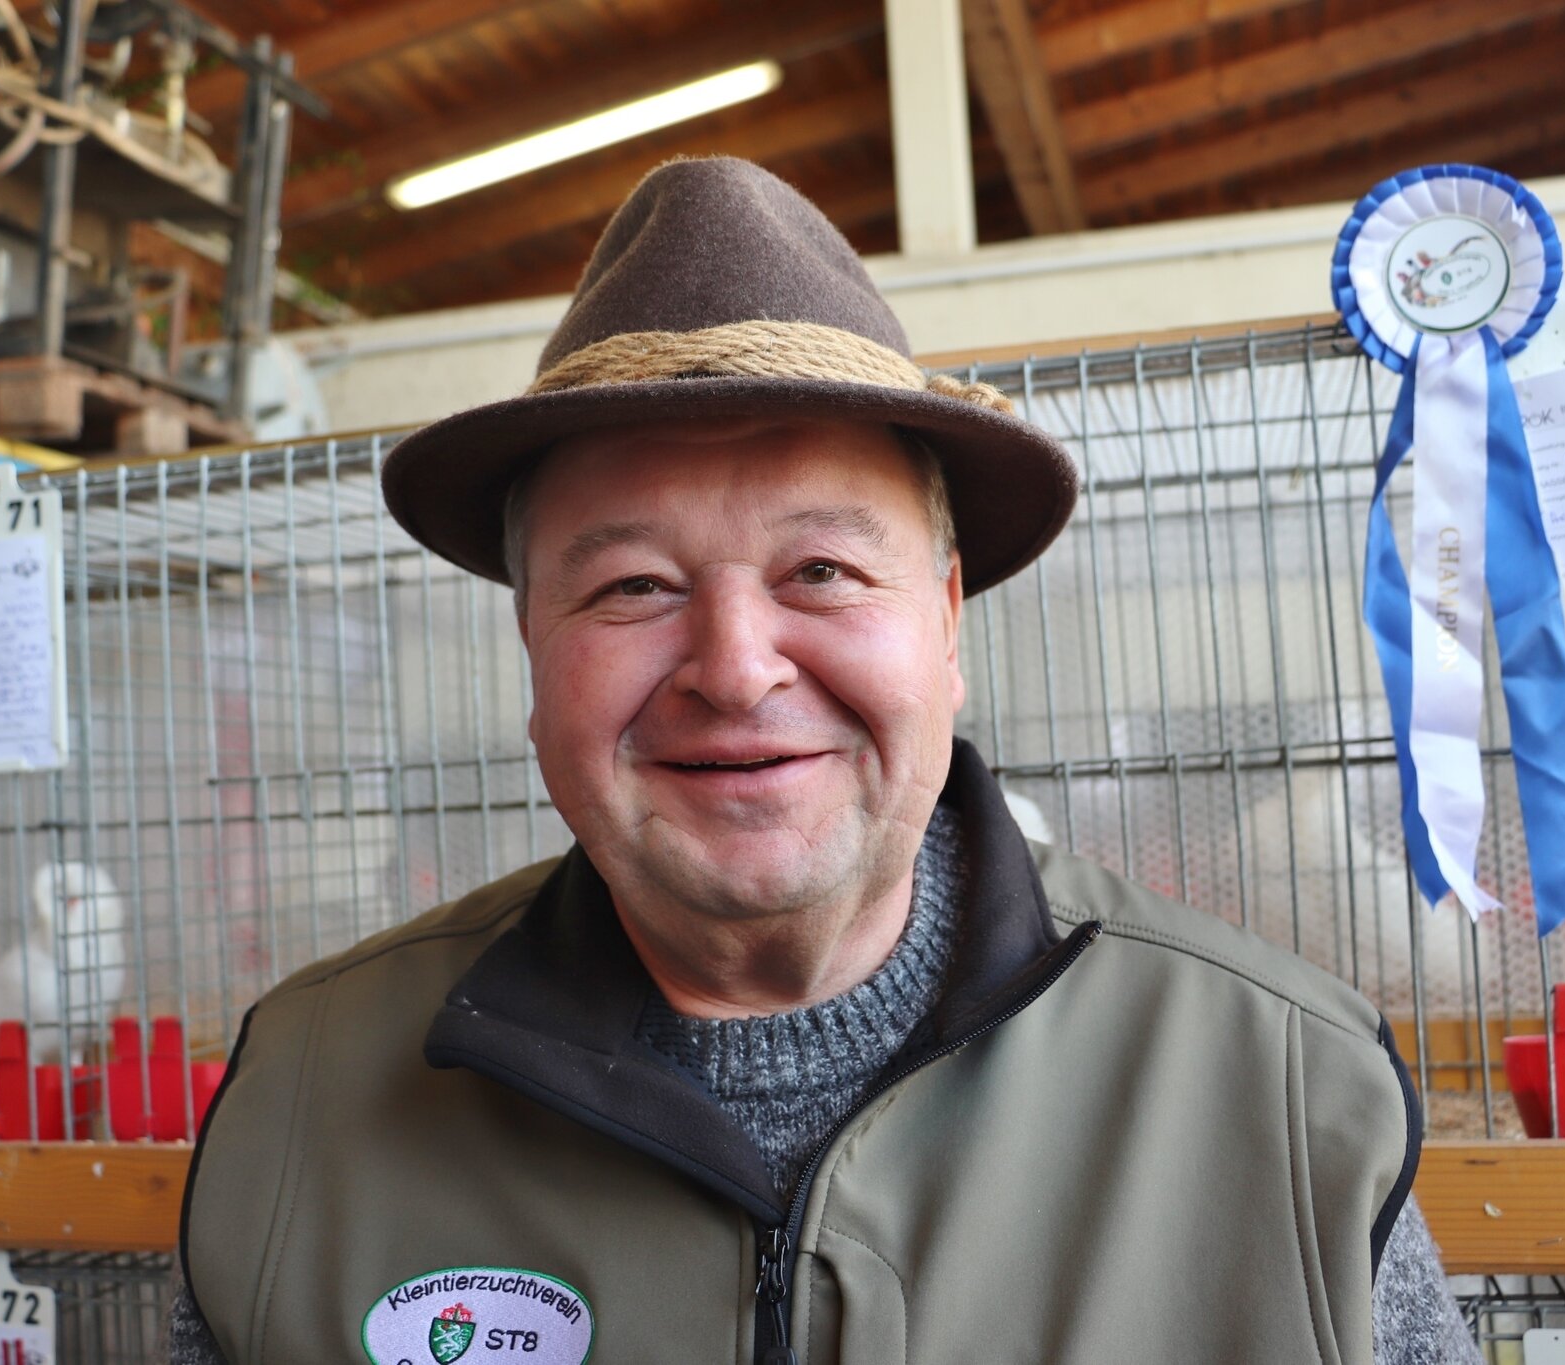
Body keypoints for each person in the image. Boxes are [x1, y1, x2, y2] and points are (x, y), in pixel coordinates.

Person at [171, 157, 1476, 1365]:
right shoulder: (306, 1101)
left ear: (946, 620)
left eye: (824, 570)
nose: (736, 669)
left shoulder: (1289, 1099)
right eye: (632, 585)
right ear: (533, 643)